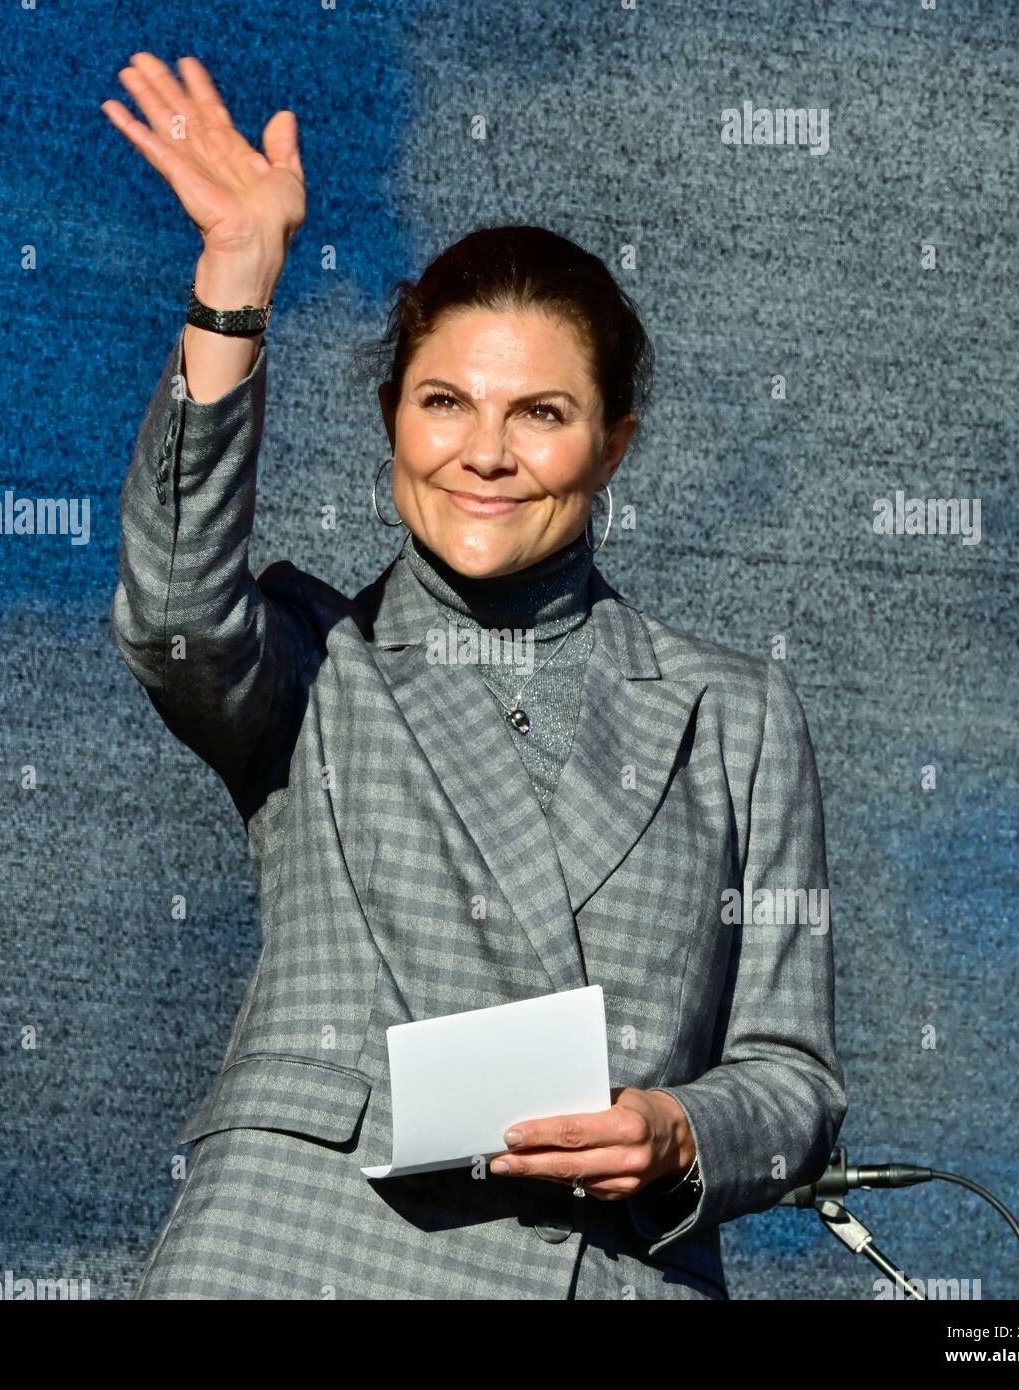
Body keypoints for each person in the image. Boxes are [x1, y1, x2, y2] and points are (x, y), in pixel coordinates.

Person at [104, 52, 846, 1300]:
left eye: (541, 414)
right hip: (294, 1258)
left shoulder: (734, 712)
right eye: (444, 401)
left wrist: (678, 1131)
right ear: (392, 416)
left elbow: (794, 1079)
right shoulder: (309, 657)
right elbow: (173, 610)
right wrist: (234, 281)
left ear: (613, 442)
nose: (485, 455)